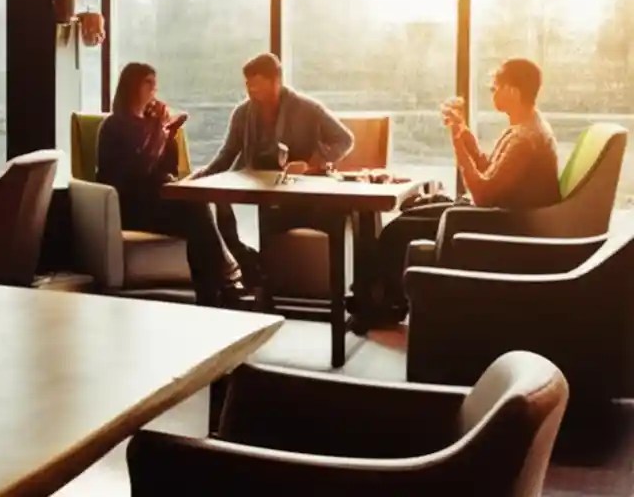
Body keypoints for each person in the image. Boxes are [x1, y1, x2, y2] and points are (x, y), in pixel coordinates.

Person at [350, 58, 561, 332]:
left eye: (495, 86)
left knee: (396, 231)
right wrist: (462, 133)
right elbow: (490, 168)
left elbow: (484, 194)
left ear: (513, 91)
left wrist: (457, 145)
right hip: (498, 216)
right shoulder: (528, 126)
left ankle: (384, 306)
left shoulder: (524, 139)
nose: (492, 91)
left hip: (497, 224)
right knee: (410, 215)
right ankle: (373, 298)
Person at [192, 53, 356, 285]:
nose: (251, 90)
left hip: (305, 194)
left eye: (256, 84)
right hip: (257, 189)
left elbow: (345, 139)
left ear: (276, 81)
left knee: (279, 222)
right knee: (218, 203)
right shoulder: (242, 113)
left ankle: (266, 279)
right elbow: (227, 154)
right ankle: (247, 267)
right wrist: (199, 179)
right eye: (248, 84)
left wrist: (312, 162)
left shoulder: (308, 109)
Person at [97, 62, 246, 306]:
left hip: (154, 200)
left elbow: (167, 171)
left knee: (196, 211)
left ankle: (213, 291)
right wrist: (158, 132)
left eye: (155, 83)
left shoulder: (150, 124)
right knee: (196, 212)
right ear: (132, 86)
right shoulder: (113, 126)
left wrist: (169, 137)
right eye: (148, 82)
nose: (154, 88)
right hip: (127, 205)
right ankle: (223, 281)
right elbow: (135, 171)